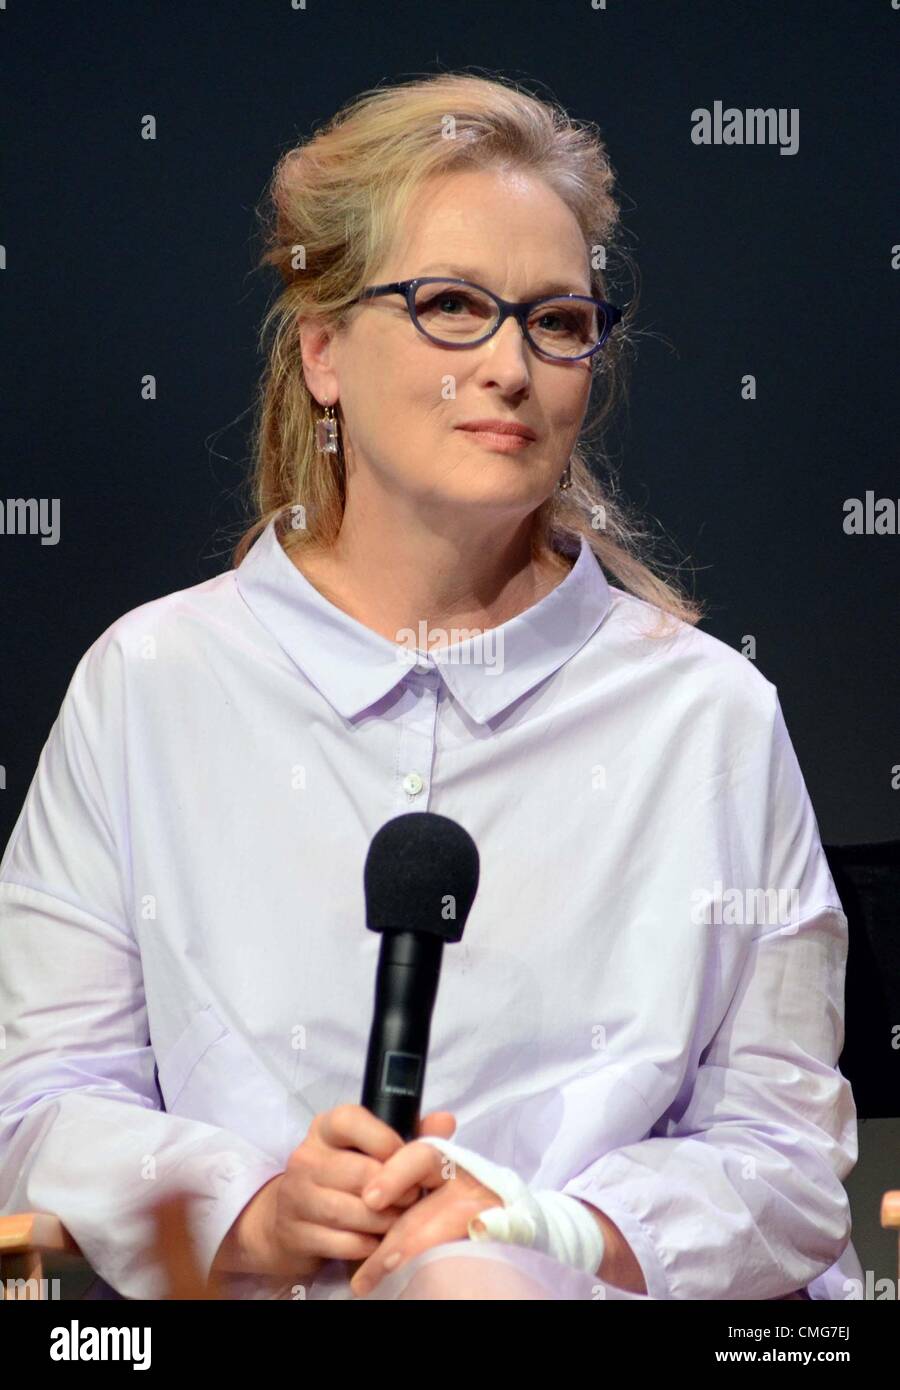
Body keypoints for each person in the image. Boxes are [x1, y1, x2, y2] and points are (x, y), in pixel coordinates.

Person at [0, 71, 862, 1302]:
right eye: (451, 304)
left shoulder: (708, 715)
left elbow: (785, 1163)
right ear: (324, 352)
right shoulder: (149, 687)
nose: (509, 366)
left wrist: (557, 1231)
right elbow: (37, 1102)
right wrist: (254, 1206)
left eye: (557, 320)